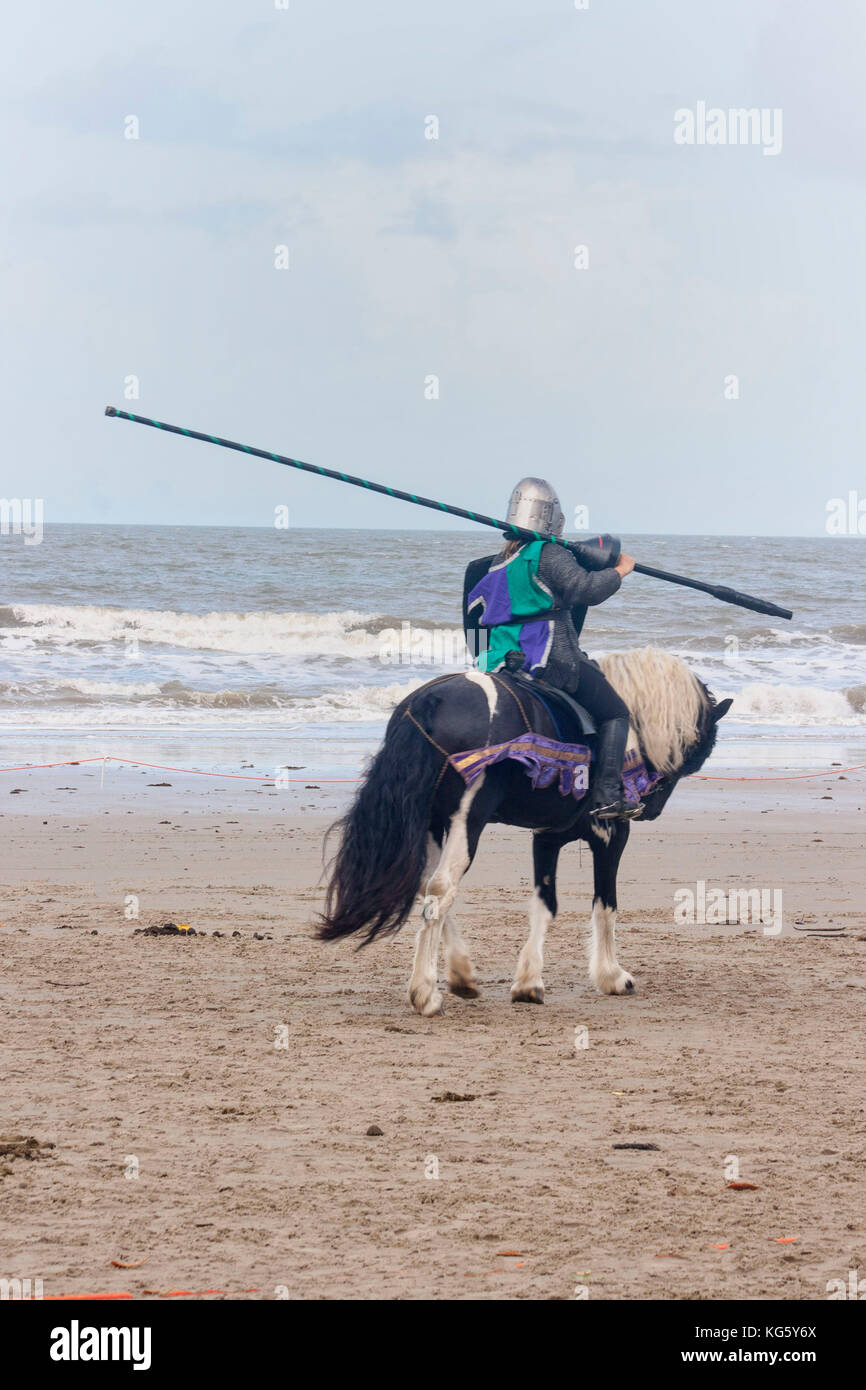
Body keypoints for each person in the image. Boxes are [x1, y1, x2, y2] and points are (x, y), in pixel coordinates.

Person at [464, 477, 637, 820]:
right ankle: (607, 795)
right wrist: (621, 570)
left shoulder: (492, 566)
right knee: (616, 712)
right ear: (551, 518)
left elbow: (474, 624)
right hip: (546, 656)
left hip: (498, 658)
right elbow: (584, 590)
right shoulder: (549, 552)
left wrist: (483, 663)